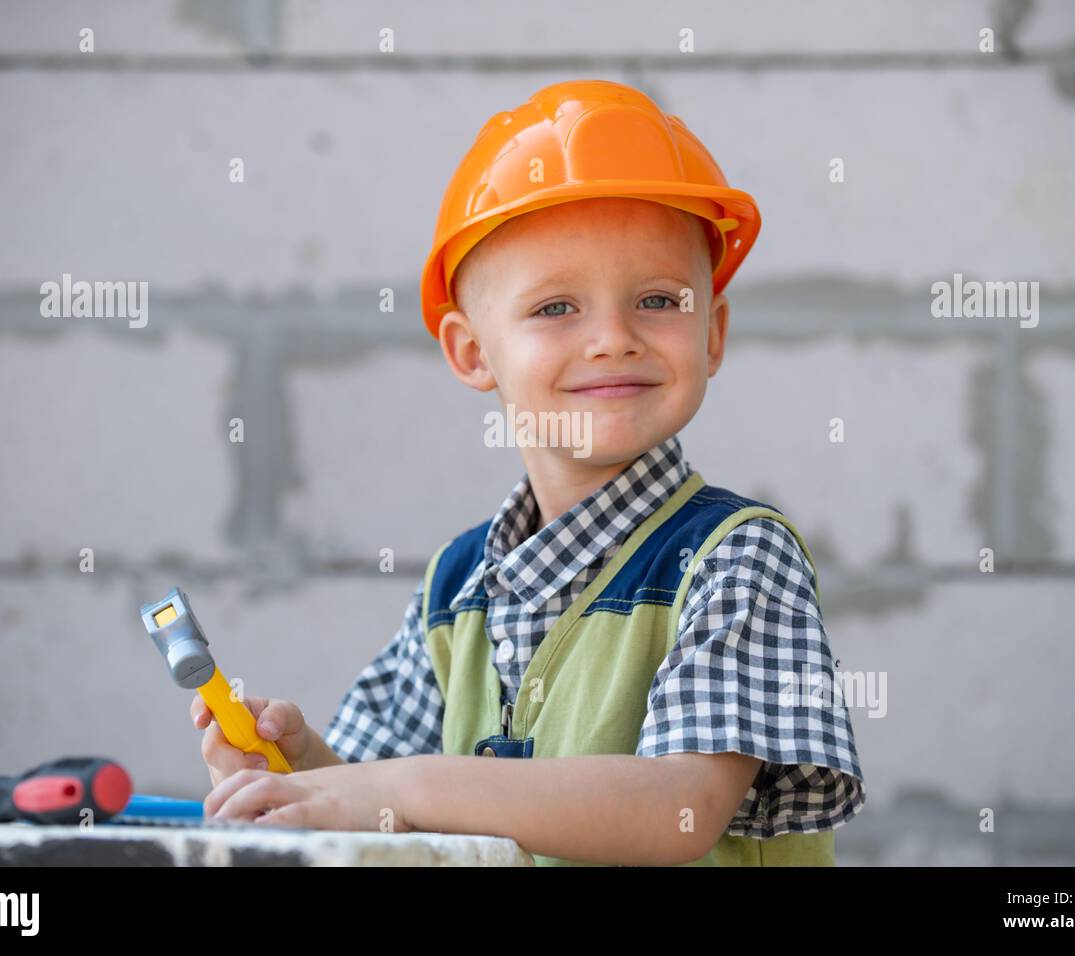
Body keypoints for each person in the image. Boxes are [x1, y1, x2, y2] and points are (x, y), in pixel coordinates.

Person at [194, 79, 866, 866]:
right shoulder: (455, 589)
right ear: (472, 351)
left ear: (712, 333)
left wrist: (398, 789)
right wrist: (300, 772)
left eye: (657, 299)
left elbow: (677, 808)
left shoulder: (736, 559)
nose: (613, 338)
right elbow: (377, 811)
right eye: (556, 308)